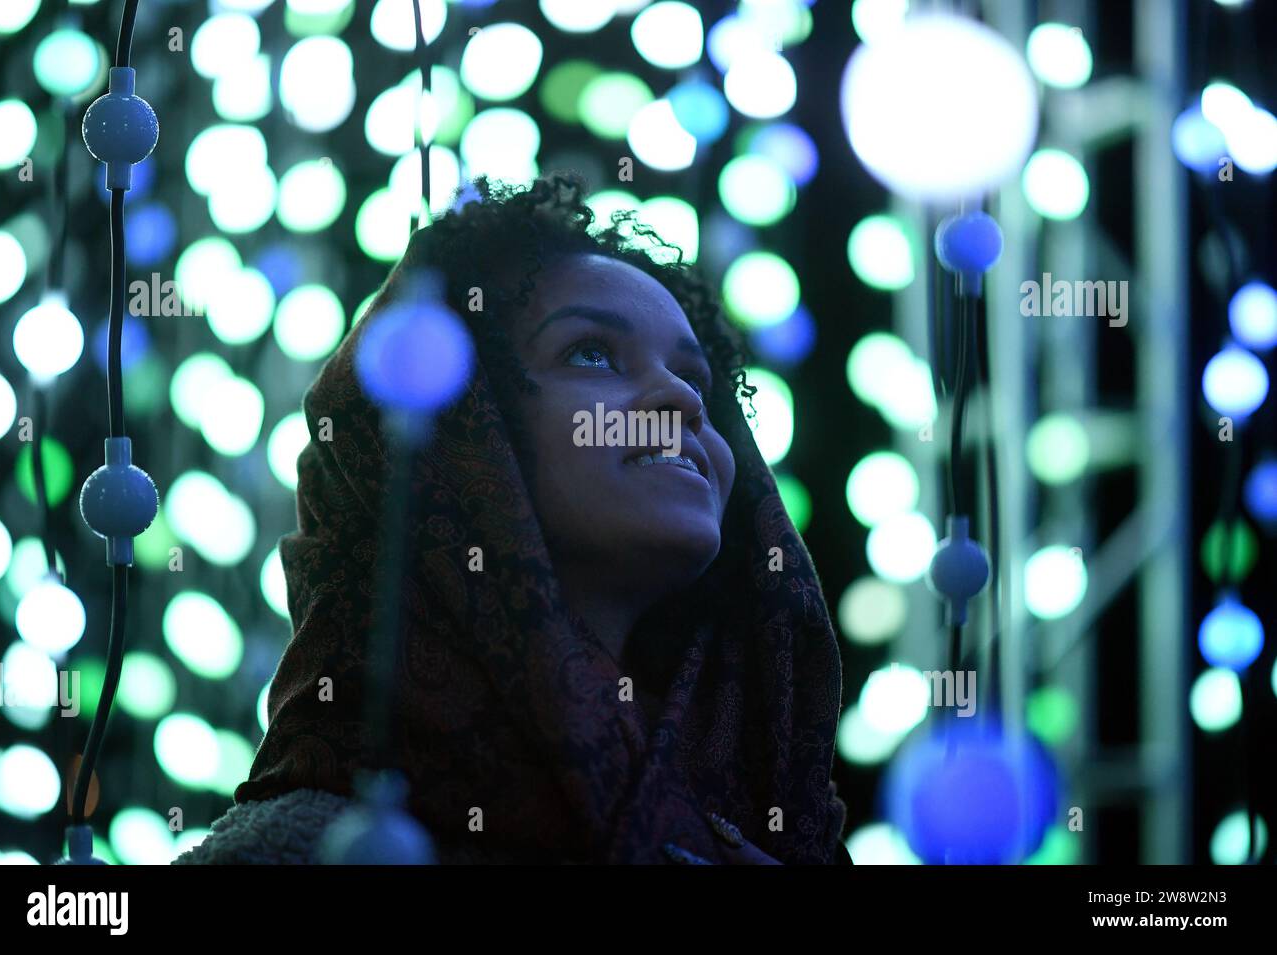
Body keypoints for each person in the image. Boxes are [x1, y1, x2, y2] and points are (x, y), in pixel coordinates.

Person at [173, 173, 850, 865]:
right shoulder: (295, 851)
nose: (681, 397)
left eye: (697, 377)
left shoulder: (771, 827)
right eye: (591, 352)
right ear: (459, 434)